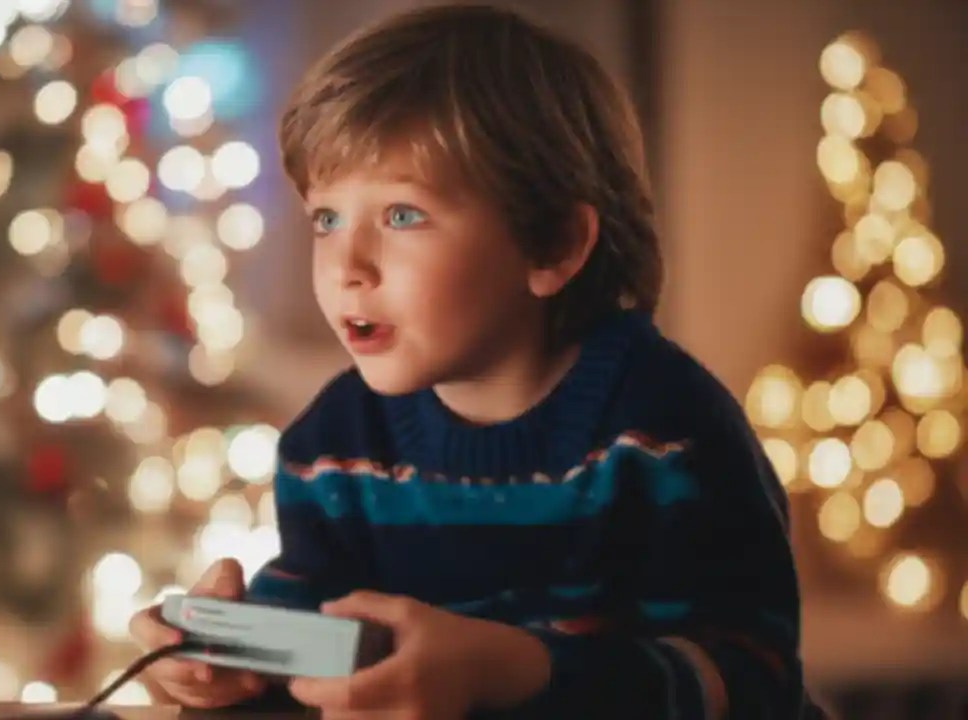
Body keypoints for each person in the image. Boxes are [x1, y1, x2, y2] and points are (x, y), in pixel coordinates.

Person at [130, 3, 824, 718]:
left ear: (553, 244)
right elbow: (316, 672)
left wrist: (514, 669)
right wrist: (225, 667)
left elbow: (753, 685)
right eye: (326, 218)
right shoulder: (332, 448)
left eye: (402, 215)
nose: (347, 266)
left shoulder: (664, 435)